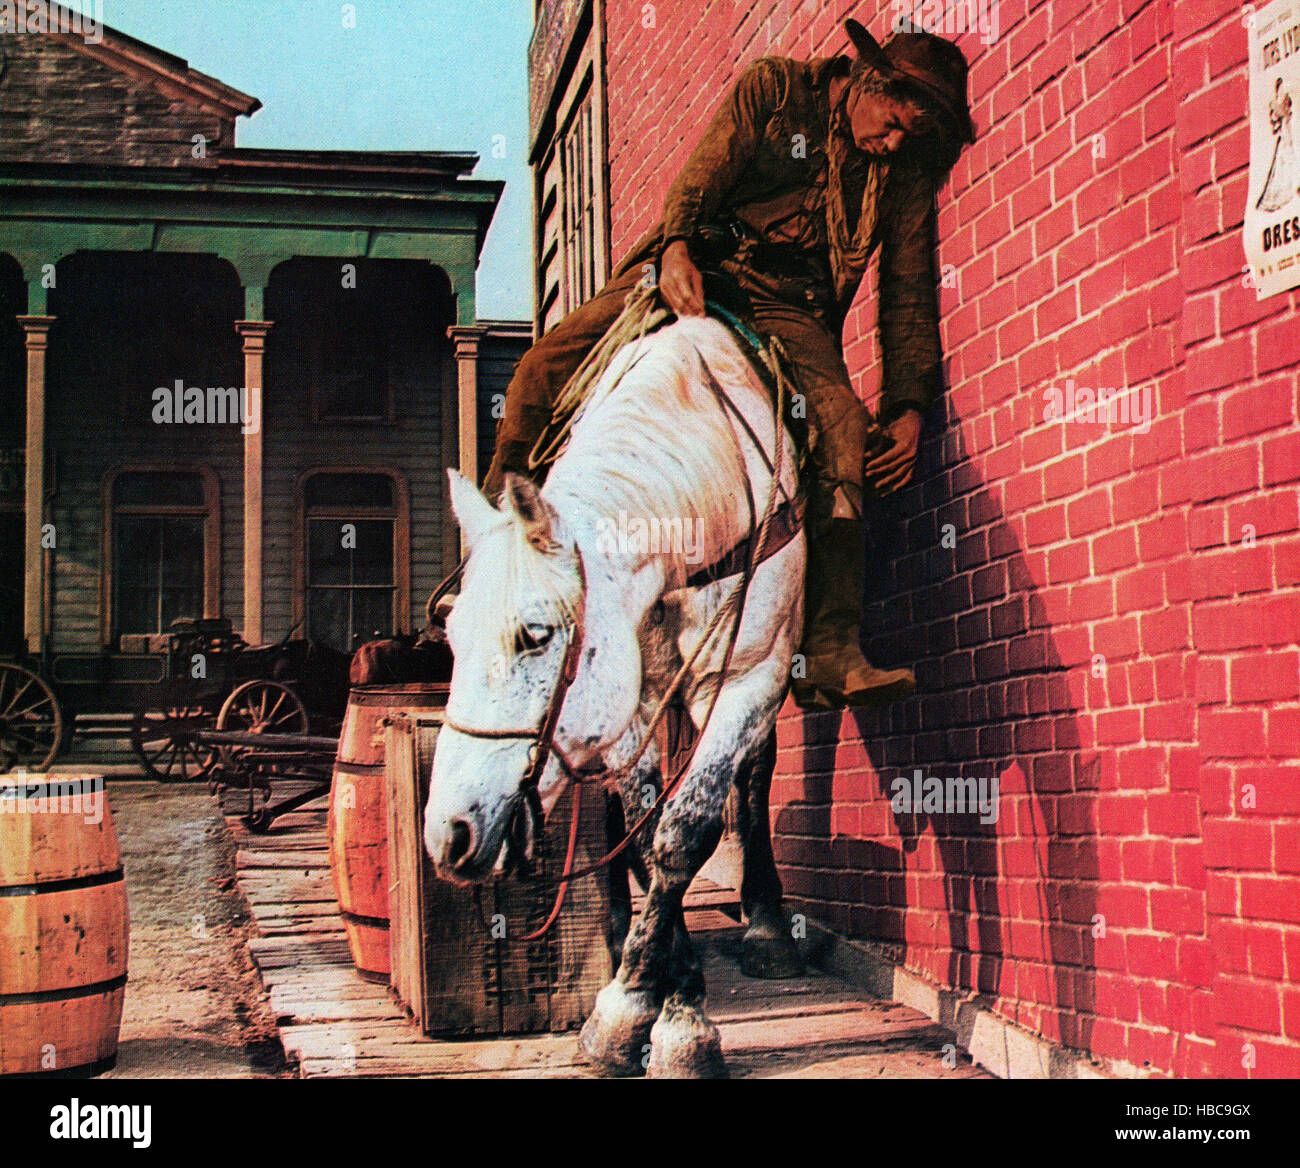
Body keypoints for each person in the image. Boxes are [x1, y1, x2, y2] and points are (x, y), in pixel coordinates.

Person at [482, 19, 974, 710]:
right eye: (892, 123)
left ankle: (829, 647)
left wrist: (908, 407)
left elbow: (908, 298)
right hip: (702, 264)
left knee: (839, 427)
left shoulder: (903, 178)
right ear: (868, 80)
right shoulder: (774, 90)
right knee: (539, 371)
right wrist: (677, 246)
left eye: (909, 138)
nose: (893, 144)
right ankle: (495, 568)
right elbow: (701, 179)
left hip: (791, 308)